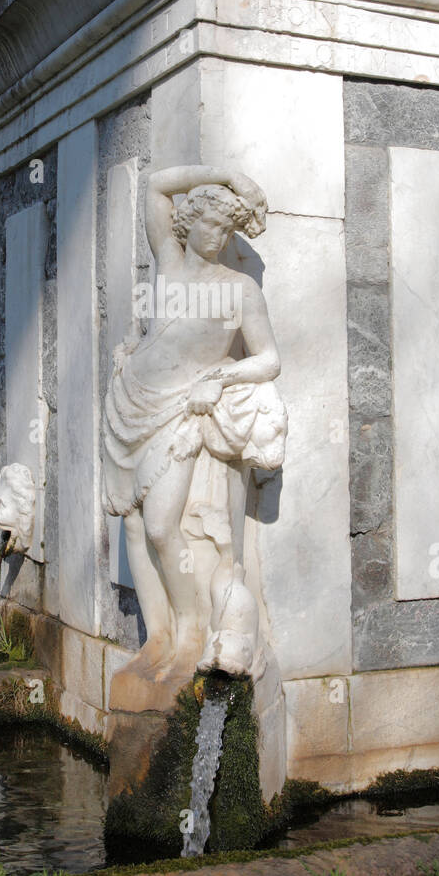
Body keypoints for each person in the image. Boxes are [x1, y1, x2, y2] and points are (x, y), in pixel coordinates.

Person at [103, 165, 287, 696]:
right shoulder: (171, 266)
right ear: (188, 225)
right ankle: (156, 638)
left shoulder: (240, 290)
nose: (218, 238)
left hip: (180, 412)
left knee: (164, 526)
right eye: (208, 226)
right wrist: (230, 177)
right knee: (134, 525)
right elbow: (158, 185)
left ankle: (192, 632)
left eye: (226, 230)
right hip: (129, 400)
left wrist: (221, 375)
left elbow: (269, 359)